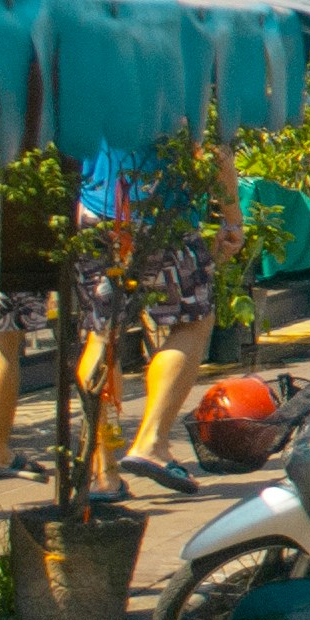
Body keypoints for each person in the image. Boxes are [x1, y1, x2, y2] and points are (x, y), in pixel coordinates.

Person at [78, 132, 239, 500]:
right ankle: (151, 441)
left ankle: (103, 473)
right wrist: (232, 220)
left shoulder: (98, 73)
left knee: (101, 333)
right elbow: (216, 149)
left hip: (95, 207)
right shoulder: (182, 73)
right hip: (162, 213)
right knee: (194, 321)